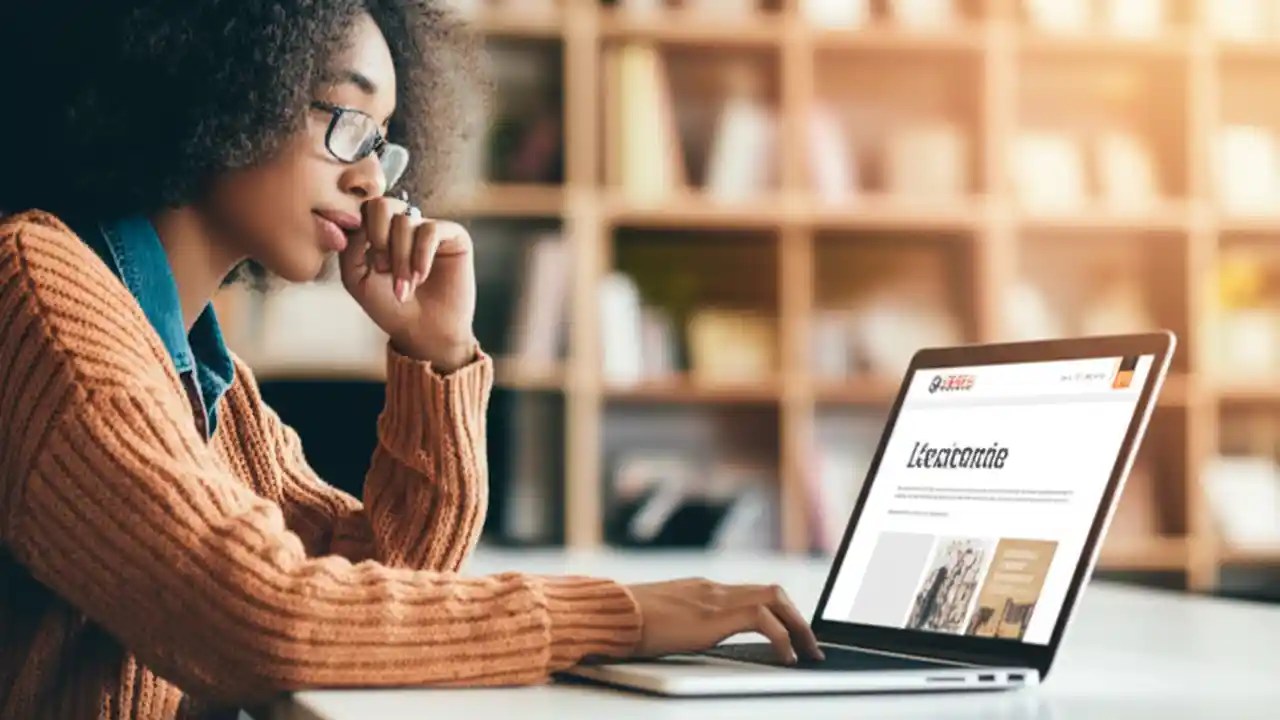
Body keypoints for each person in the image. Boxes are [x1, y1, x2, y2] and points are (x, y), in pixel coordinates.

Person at [0, 2, 821, 717]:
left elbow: (385, 590)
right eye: (344, 121)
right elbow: (265, 617)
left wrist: (436, 354)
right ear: (221, 79)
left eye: (382, 143)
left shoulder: (200, 375)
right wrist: (621, 617)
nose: (370, 181)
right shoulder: (43, 299)